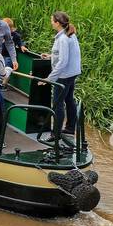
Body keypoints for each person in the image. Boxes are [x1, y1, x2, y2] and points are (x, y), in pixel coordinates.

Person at [42, 10, 81, 140]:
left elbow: (63, 62)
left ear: (57, 23)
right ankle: (70, 128)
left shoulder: (63, 38)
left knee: (57, 103)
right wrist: (51, 55)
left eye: (52, 21)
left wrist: (49, 78)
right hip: (73, 73)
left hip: (64, 75)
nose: (51, 23)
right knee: (69, 99)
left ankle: (56, 133)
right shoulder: (70, 34)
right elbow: (65, 55)